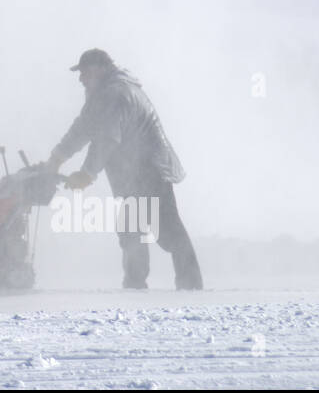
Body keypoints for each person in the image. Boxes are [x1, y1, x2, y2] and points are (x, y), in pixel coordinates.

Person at [45, 49, 203, 290]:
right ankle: (135, 285)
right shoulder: (102, 94)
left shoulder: (117, 94)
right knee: (130, 229)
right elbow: (82, 128)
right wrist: (57, 157)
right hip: (134, 174)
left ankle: (190, 286)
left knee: (168, 230)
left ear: (101, 68)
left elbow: (107, 137)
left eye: (84, 72)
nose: (81, 79)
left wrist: (87, 173)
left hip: (152, 170)